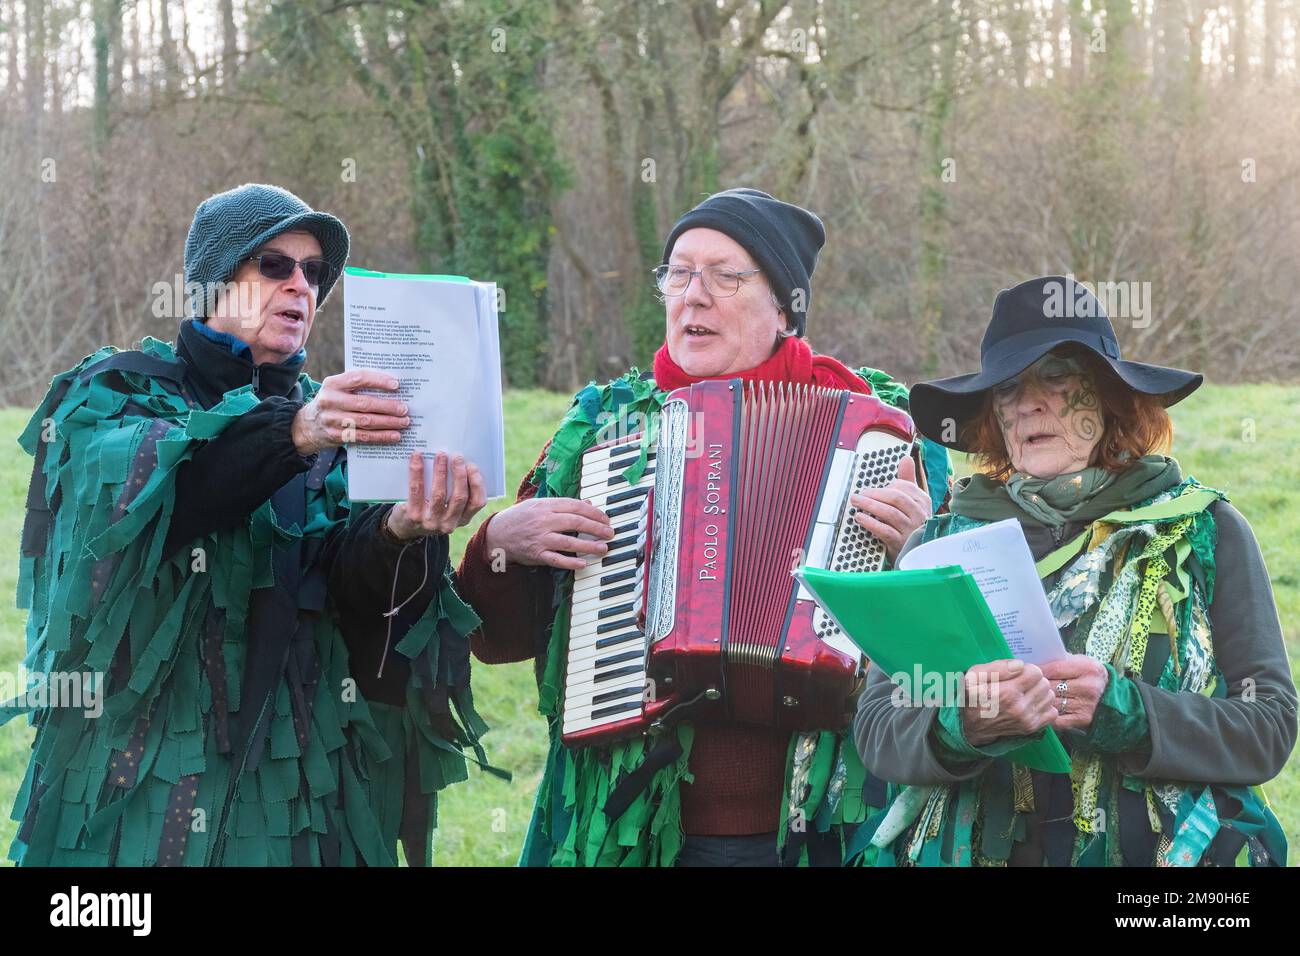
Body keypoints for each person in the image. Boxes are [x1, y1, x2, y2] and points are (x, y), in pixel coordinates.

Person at [455, 187, 951, 866]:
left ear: (784, 306)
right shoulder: (604, 430)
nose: (693, 295)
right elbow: (497, 641)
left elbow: (942, 650)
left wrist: (923, 547)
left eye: (725, 276)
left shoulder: (878, 431)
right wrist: (498, 545)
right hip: (637, 825)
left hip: (821, 829)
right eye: (679, 273)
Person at [5, 183, 495, 866]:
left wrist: (401, 531)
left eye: (315, 272)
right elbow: (174, 497)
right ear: (213, 279)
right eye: (275, 264)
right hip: (147, 780)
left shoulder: (340, 423)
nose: (301, 285)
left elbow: (349, 596)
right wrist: (297, 431)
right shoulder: (117, 394)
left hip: (300, 788)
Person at [852, 275, 1297, 866]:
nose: (1028, 401)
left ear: (1111, 398)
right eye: (1007, 387)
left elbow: (1267, 726)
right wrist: (965, 724)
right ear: (993, 416)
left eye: (1056, 376)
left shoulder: (1206, 531)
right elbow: (880, 727)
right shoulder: (939, 545)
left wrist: (1127, 714)